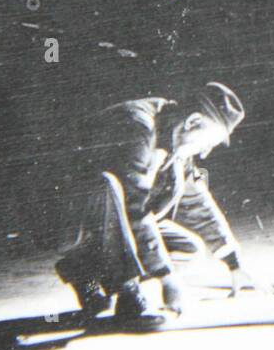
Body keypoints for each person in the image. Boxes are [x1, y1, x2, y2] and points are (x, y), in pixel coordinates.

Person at [54, 82, 255, 319]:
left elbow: (195, 199)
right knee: (106, 185)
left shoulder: (176, 136)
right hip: (65, 218)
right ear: (193, 122)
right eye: (209, 141)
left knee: (187, 248)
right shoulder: (137, 126)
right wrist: (168, 279)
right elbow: (133, 206)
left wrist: (234, 263)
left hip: (116, 221)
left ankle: (84, 269)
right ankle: (127, 290)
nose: (205, 153)